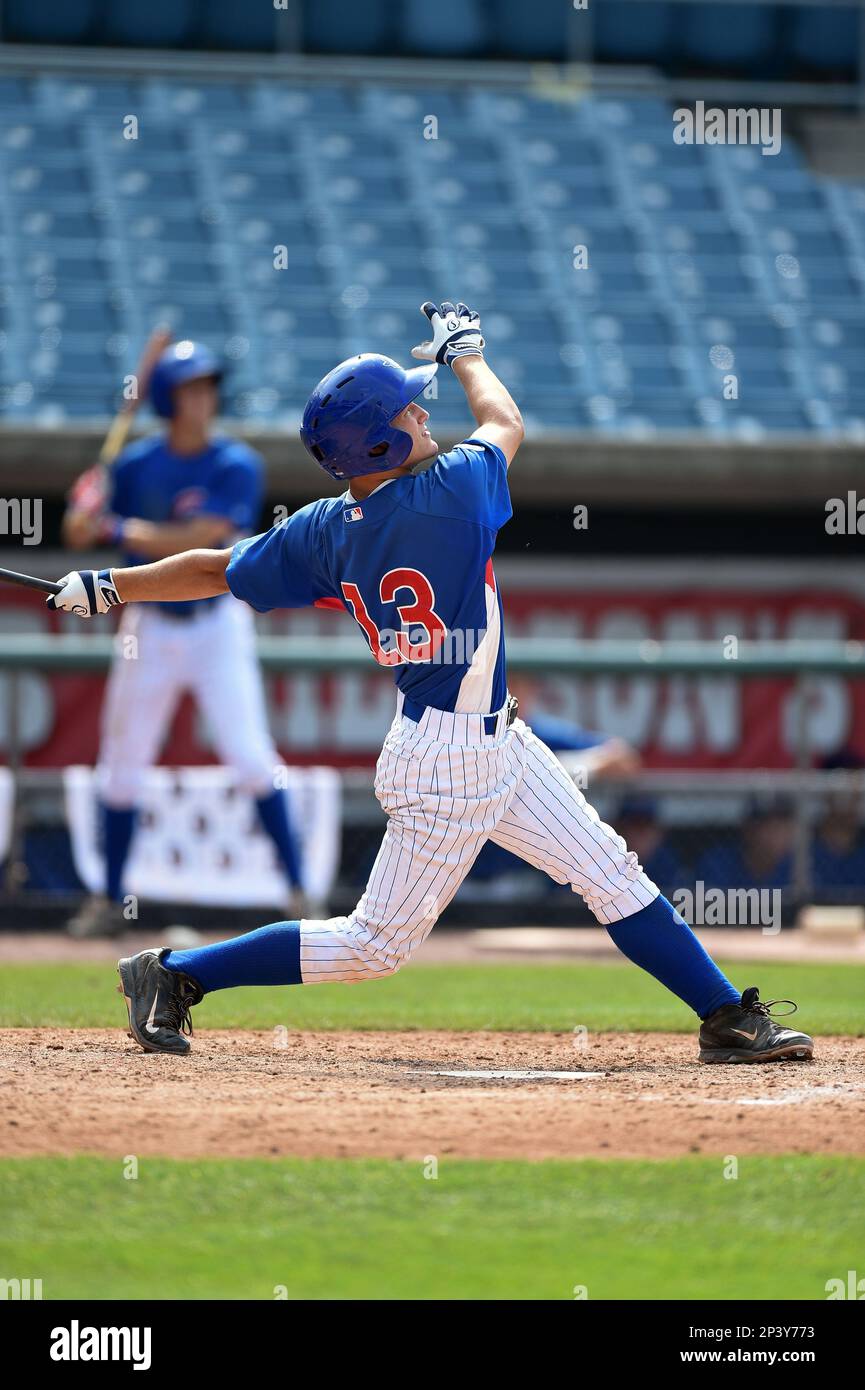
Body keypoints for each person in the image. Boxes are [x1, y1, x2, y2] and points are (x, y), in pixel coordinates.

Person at [48, 302, 813, 1065]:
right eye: (406, 410)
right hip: (449, 760)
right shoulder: (448, 492)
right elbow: (504, 419)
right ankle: (174, 973)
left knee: (608, 872)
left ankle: (724, 1015)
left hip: (487, 740)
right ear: (378, 440)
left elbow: (215, 569)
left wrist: (110, 585)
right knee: (372, 945)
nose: (421, 411)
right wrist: (465, 352)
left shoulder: (322, 528)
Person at [59, 340, 303, 937]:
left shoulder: (235, 464)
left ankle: (299, 894)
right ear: (168, 399)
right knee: (122, 765)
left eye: (208, 387)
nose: (204, 399)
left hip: (217, 623)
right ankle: (108, 902)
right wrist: (85, 509)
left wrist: (115, 526)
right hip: (148, 624)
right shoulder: (132, 465)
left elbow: (204, 537)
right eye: (191, 389)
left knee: (252, 759)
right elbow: (76, 536)